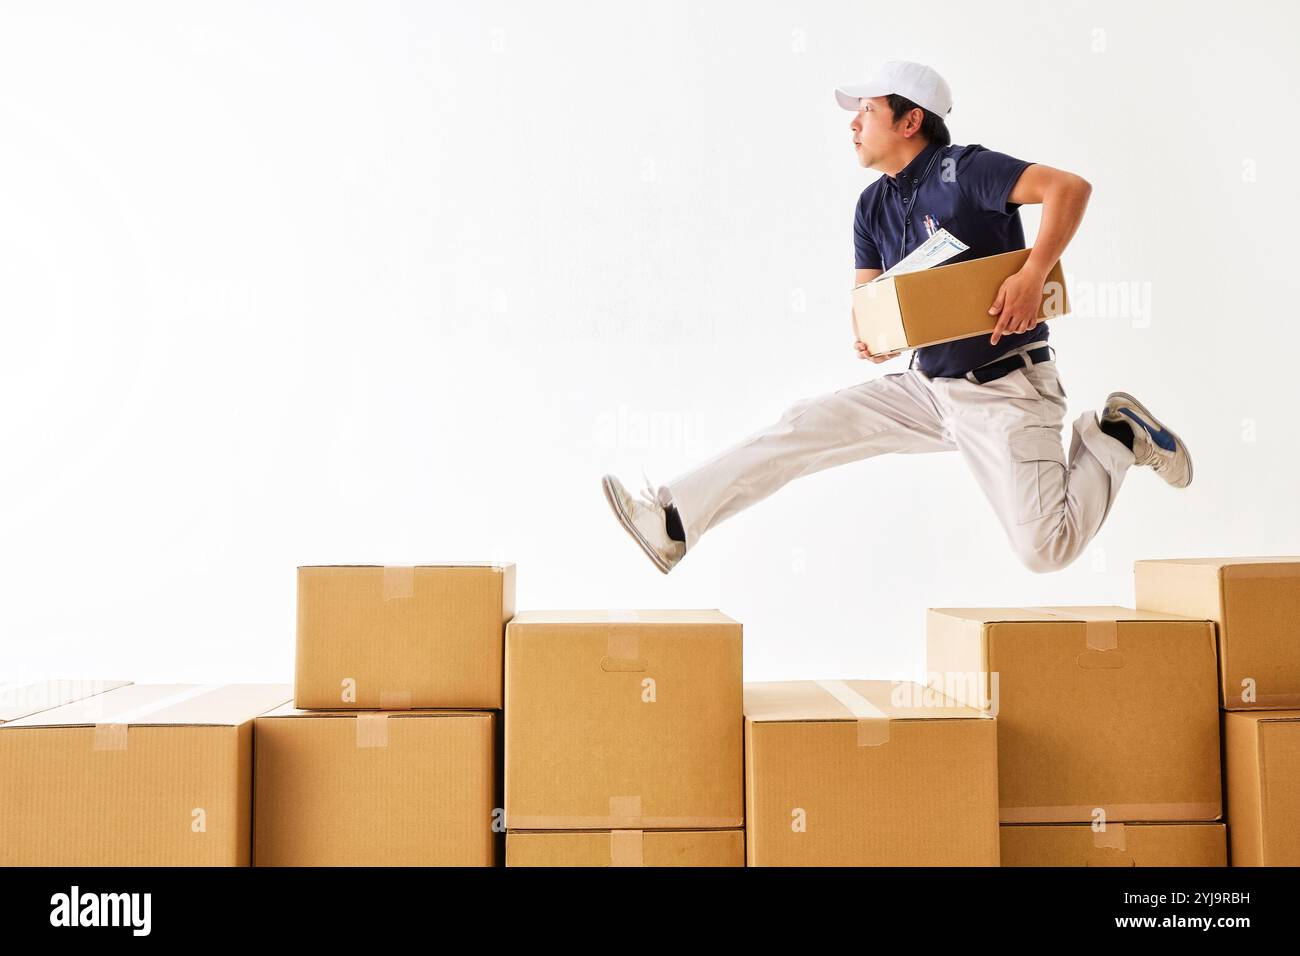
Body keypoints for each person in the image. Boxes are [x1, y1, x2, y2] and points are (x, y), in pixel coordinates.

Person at [602, 60, 1191, 575]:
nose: (853, 124)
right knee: (802, 425)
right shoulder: (872, 204)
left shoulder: (966, 170)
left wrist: (1033, 273)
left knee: (1045, 550)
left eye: (867, 111)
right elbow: (870, 302)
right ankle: (672, 520)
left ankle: (1113, 435)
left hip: (1005, 386)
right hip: (928, 389)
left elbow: (1069, 187)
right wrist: (876, 337)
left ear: (911, 121)